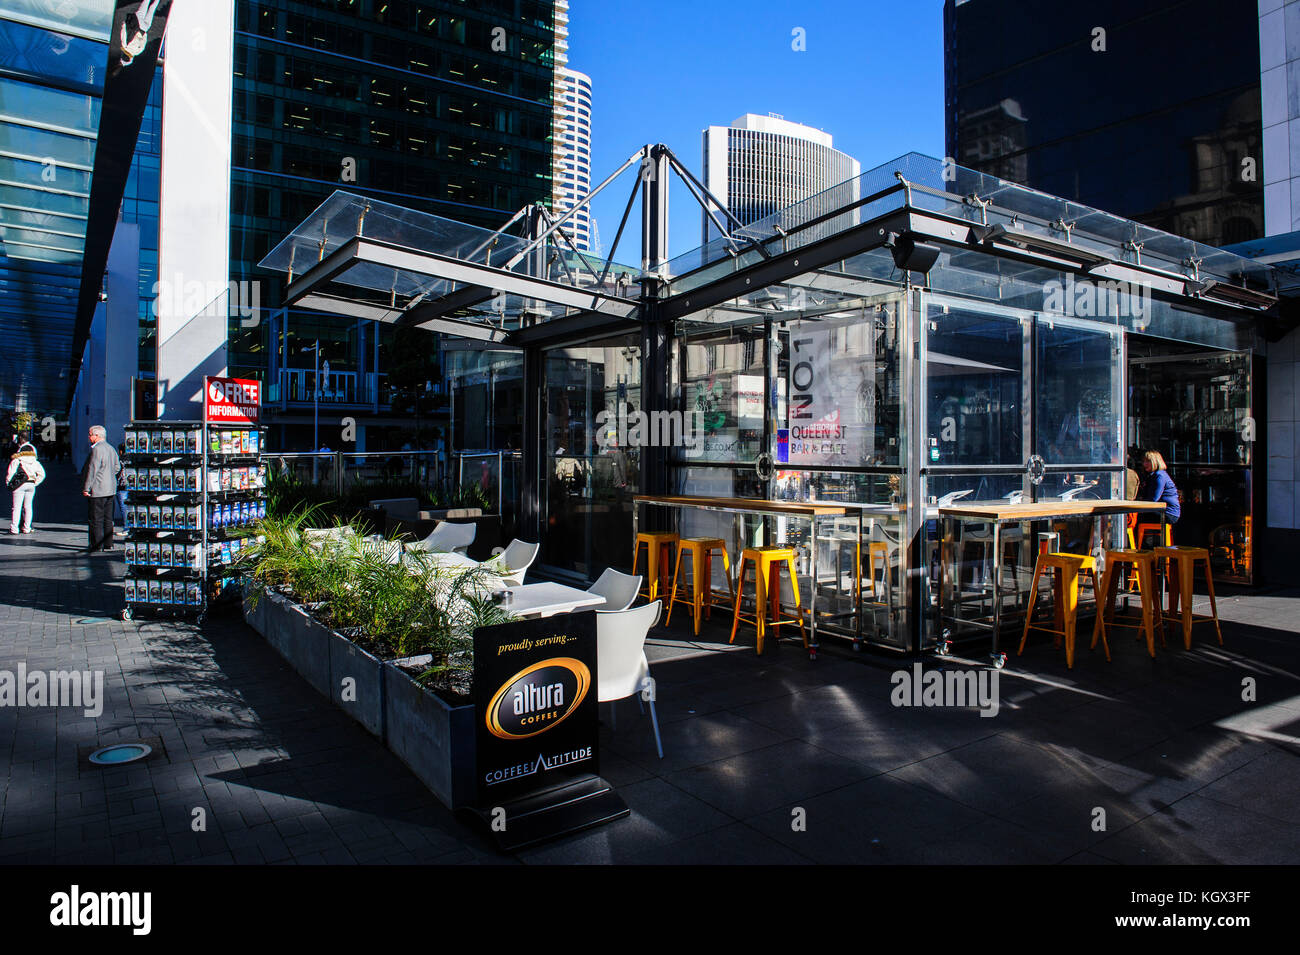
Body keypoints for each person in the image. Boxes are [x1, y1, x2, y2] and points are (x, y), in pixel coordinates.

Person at [79, 425, 120, 553]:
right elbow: (117, 467)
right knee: (108, 518)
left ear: (97, 436)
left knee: (95, 519)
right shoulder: (111, 448)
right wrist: (108, 475)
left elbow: (92, 470)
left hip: (98, 489)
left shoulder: (97, 449)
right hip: (111, 488)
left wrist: (87, 487)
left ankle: (96, 545)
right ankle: (108, 543)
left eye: (90, 434)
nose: (89, 437)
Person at [1138, 449, 1180, 544]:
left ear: (1155, 462)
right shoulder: (1156, 475)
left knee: (1135, 519)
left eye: (1148, 461)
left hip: (1168, 513)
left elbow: (1153, 500)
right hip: (1166, 511)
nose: (1145, 464)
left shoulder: (1159, 476)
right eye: (1144, 461)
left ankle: (1141, 548)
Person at [7, 441, 45, 534]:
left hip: (19, 485)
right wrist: (35, 482)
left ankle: (14, 528)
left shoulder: (17, 460)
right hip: (31, 484)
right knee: (28, 507)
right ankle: (27, 528)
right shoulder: (34, 462)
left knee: (16, 507)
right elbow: (42, 474)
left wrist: (9, 484)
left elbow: (10, 474)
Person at [114, 442, 129, 537]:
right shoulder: (132, 458)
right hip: (131, 485)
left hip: (122, 485)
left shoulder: (121, 459)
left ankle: (127, 527)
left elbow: (117, 472)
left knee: (123, 507)